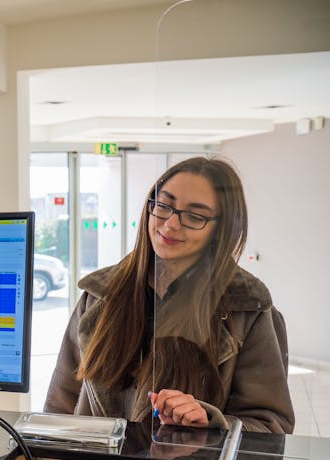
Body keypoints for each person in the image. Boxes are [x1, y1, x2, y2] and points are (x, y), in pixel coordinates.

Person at [44, 157, 293, 434]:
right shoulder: (100, 295)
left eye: (195, 216)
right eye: (164, 206)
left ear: (221, 230)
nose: (171, 224)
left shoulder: (247, 309)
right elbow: (60, 407)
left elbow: (271, 427)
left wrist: (209, 423)